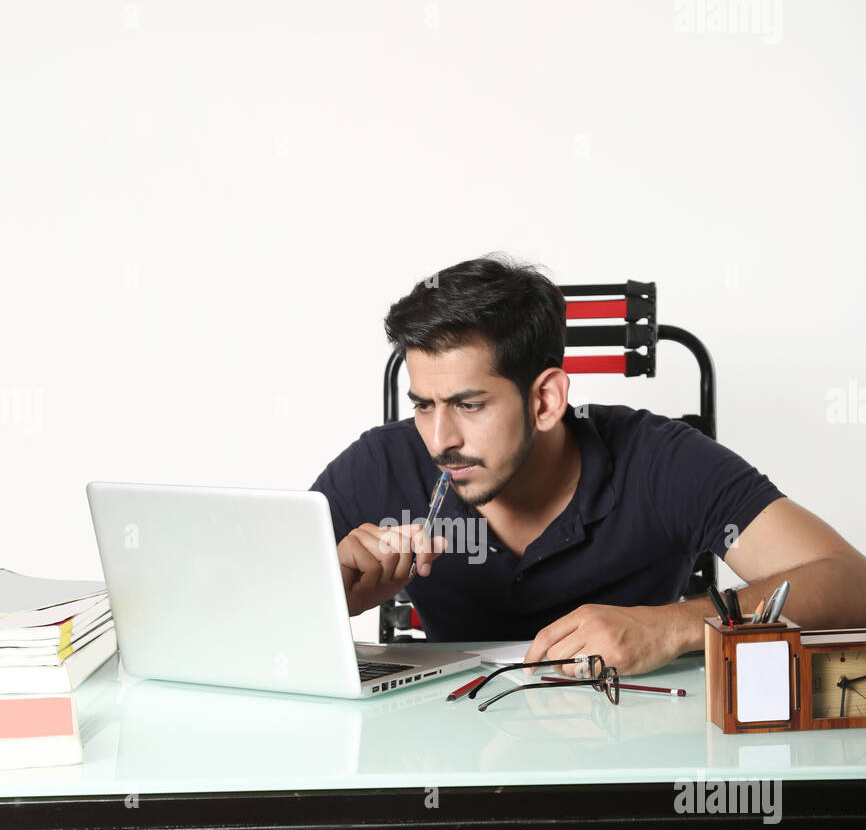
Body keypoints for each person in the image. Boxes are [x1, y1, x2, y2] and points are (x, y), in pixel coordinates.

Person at [310, 254, 866, 677]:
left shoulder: (658, 461)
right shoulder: (382, 461)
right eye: (424, 404)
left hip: (636, 755)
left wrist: (672, 627)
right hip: (452, 766)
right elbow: (233, 609)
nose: (438, 439)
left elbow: (850, 582)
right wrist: (328, 595)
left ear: (546, 401)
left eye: (469, 405)